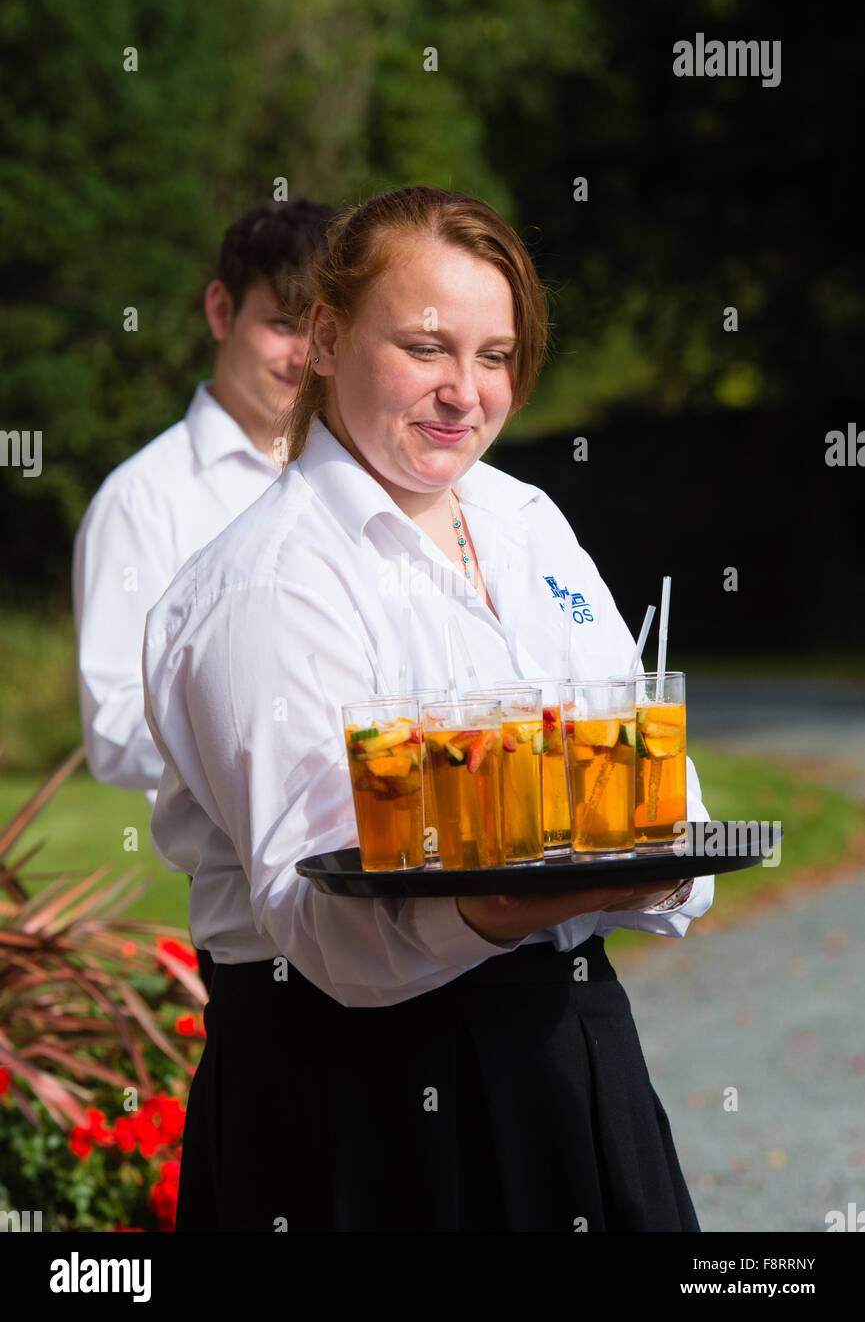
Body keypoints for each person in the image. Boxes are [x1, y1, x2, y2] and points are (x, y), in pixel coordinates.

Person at [142, 185, 713, 1232]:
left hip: (574, 1050)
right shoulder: (268, 584)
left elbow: (652, 772)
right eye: (425, 346)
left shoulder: (526, 519)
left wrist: (653, 856)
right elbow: (322, 931)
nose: (464, 391)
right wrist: (517, 899)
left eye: (494, 356)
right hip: (355, 1104)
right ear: (324, 335)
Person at [72, 198, 335, 992]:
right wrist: (262, 740)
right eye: (282, 324)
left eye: (321, 332)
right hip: (254, 914)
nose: (302, 356)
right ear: (221, 309)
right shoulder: (144, 497)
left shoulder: (357, 477)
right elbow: (114, 724)